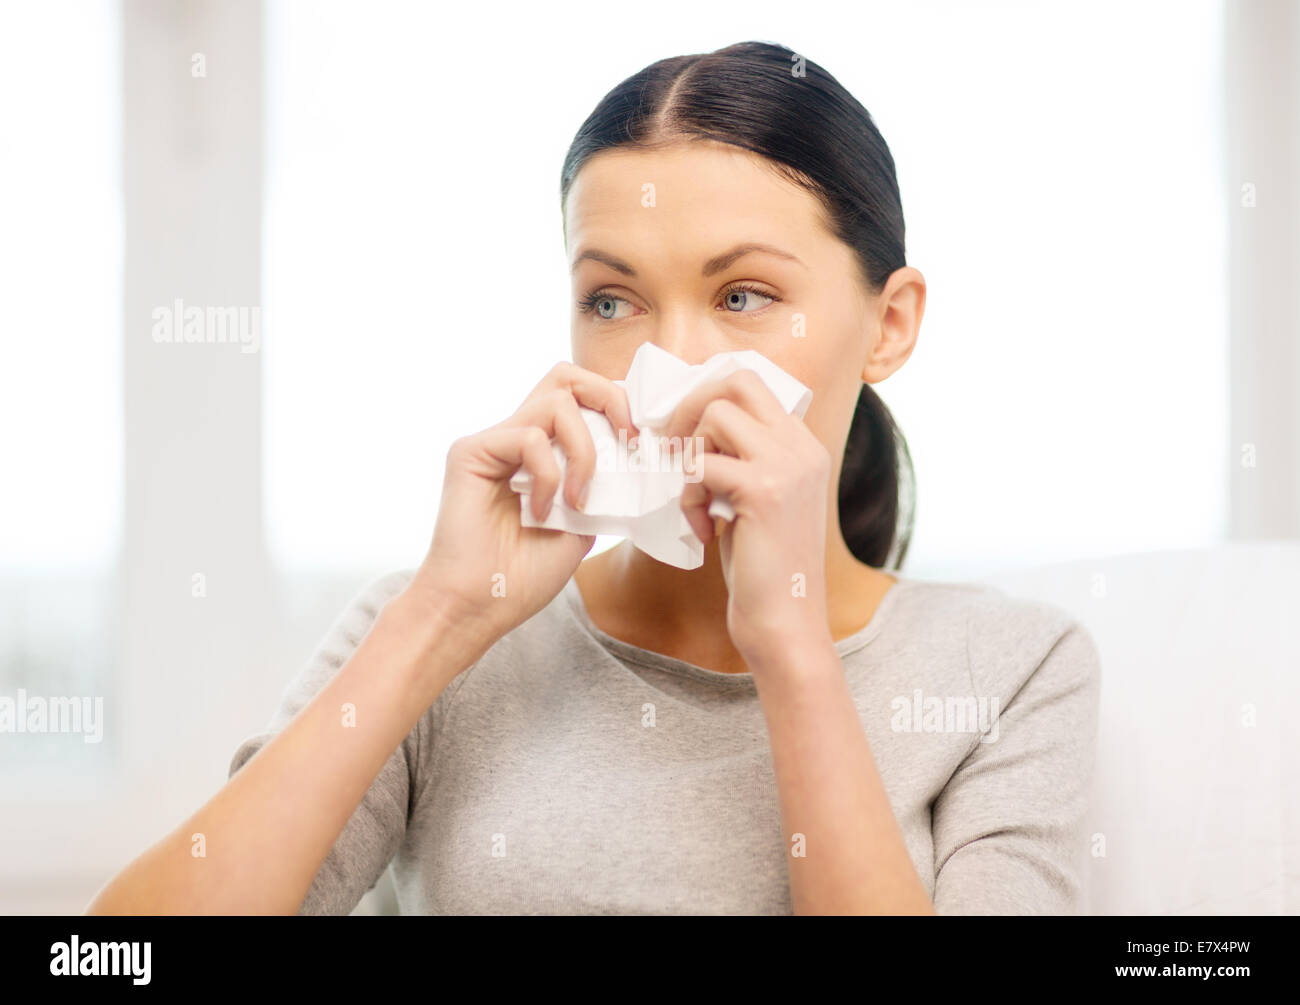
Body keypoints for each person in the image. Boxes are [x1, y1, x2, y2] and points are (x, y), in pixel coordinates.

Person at [86, 40, 1100, 916]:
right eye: (612, 302)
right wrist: (440, 617)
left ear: (890, 325)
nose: (670, 368)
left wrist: (792, 650)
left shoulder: (1010, 670)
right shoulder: (436, 629)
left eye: (743, 295)